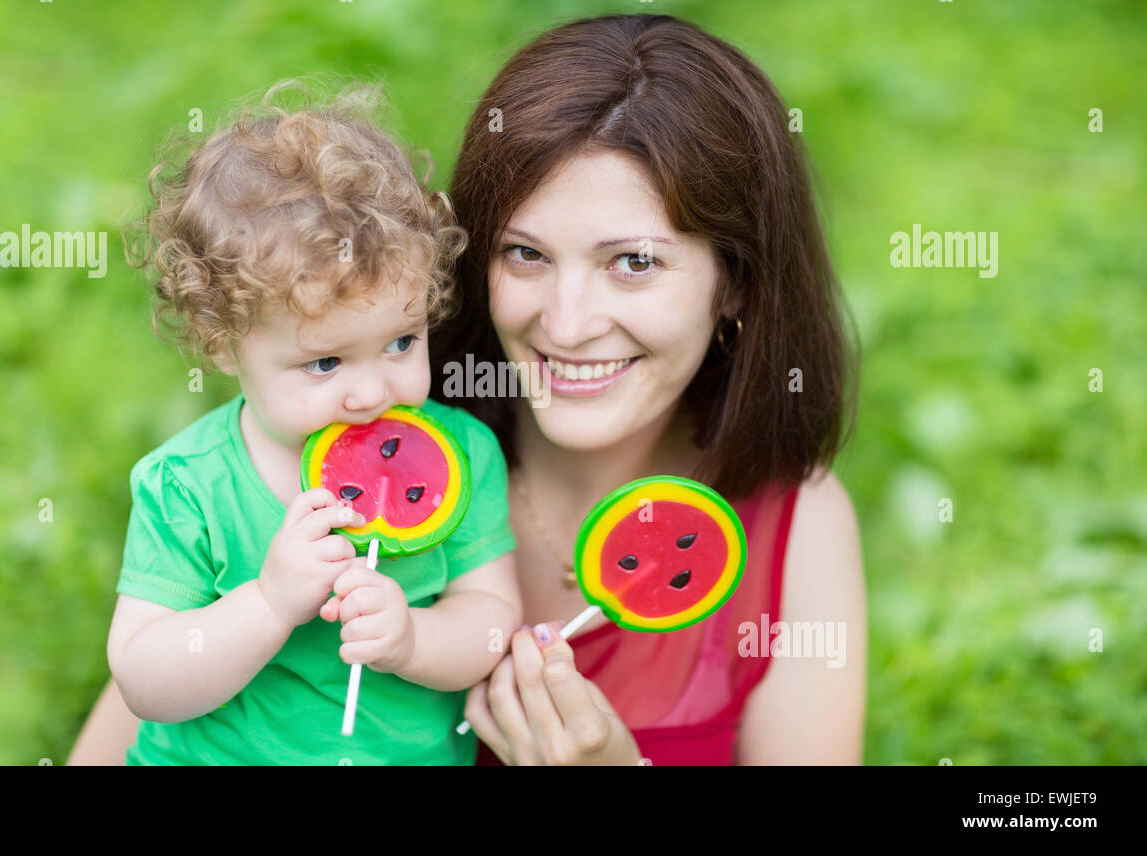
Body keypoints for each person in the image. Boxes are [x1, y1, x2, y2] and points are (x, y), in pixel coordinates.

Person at [70, 13, 865, 766]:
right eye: (526, 253)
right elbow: (146, 694)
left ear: (735, 283)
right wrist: (272, 604)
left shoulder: (792, 523)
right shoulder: (259, 473)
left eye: (633, 263)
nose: (569, 321)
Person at [103, 83, 520, 765]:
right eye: (325, 361)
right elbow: (144, 679)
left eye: (401, 342)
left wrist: (413, 639)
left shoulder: (461, 457)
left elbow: (492, 622)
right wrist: (267, 605)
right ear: (224, 346)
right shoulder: (188, 487)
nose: (372, 392)